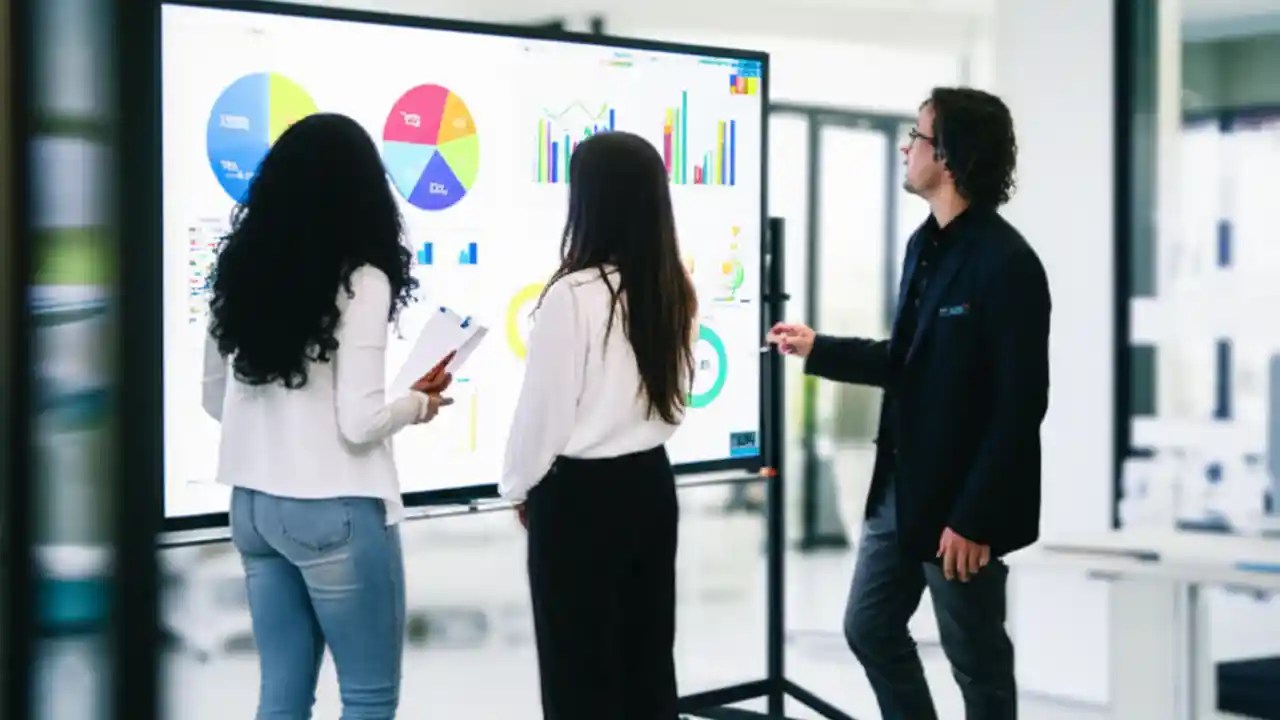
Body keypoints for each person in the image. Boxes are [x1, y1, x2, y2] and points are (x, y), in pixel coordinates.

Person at [768, 88, 1050, 720]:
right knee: (868, 628)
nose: (905, 148)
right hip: (900, 488)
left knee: (976, 664)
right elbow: (908, 361)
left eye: (916, 137)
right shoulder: (923, 247)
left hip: (959, 506)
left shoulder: (1008, 264)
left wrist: (975, 517)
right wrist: (820, 348)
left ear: (947, 155)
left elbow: (1020, 404)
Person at [201, 112, 454, 720]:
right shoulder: (361, 278)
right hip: (334, 509)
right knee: (368, 700)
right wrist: (417, 404)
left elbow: (213, 399)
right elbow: (358, 424)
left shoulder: (238, 266)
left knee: (281, 696)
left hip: (254, 509)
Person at [500, 131, 698, 720]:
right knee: (645, 669)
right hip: (650, 488)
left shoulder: (574, 295)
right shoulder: (672, 289)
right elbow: (676, 403)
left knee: (578, 680)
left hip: (580, 502)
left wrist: (517, 487)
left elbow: (543, 415)